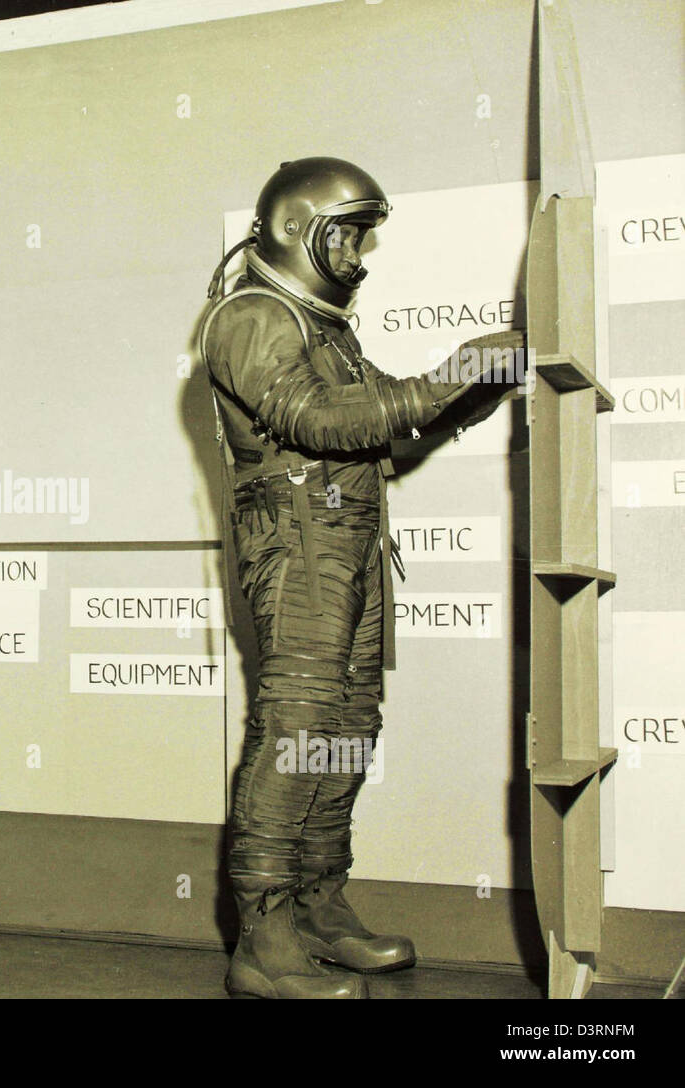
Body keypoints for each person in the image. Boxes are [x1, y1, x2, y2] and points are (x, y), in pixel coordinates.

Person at [199, 158, 522, 999]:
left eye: (356, 235)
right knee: (297, 726)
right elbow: (320, 420)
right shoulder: (252, 316)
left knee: (345, 728)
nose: (350, 250)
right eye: (339, 232)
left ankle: (318, 905)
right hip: (299, 546)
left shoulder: (325, 329)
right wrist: (451, 374)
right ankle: (262, 938)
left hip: (348, 544)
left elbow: (390, 431)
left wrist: (477, 382)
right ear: (293, 229)